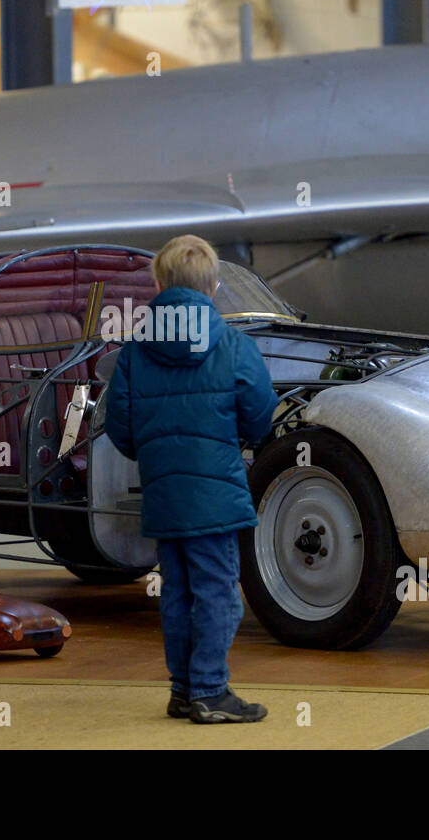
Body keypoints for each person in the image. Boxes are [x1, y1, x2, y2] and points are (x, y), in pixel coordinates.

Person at [105, 235, 278, 724]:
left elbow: (119, 424)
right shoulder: (232, 344)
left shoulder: (136, 351)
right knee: (219, 593)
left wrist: (156, 453)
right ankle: (209, 691)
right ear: (216, 287)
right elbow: (260, 416)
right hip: (216, 495)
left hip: (164, 494)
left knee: (177, 593)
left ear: (158, 285)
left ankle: (183, 690)